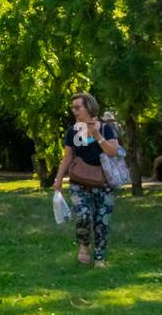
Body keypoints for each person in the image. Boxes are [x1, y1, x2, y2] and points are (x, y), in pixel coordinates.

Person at [52, 92, 121, 267]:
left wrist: (97, 135)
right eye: (72, 108)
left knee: (102, 220)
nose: (74, 111)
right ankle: (84, 245)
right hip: (79, 181)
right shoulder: (72, 131)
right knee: (83, 216)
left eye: (78, 107)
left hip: (103, 182)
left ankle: (100, 258)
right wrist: (59, 178)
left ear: (89, 107)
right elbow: (67, 157)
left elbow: (113, 151)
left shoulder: (105, 128)